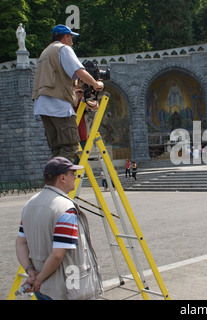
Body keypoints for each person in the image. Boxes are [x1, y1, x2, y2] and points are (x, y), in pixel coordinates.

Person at [15, 157, 103, 300]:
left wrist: (31, 271)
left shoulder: (29, 204)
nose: (75, 177)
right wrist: (39, 280)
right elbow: (57, 254)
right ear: (62, 177)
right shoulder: (65, 208)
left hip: (42, 288)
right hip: (66, 289)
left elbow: (20, 243)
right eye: (72, 173)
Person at [32, 25, 104, 163]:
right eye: (71, 37)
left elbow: (52, 79)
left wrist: (72, 91)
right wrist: (96, 84)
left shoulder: (45, 52)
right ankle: (60, 182)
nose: (72, 40)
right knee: (70, 146)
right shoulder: (63, 49)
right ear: (66, 37)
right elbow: (79, 72)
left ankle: (52, 180)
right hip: (58, 105)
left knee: (57, 148)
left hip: (42, 105)